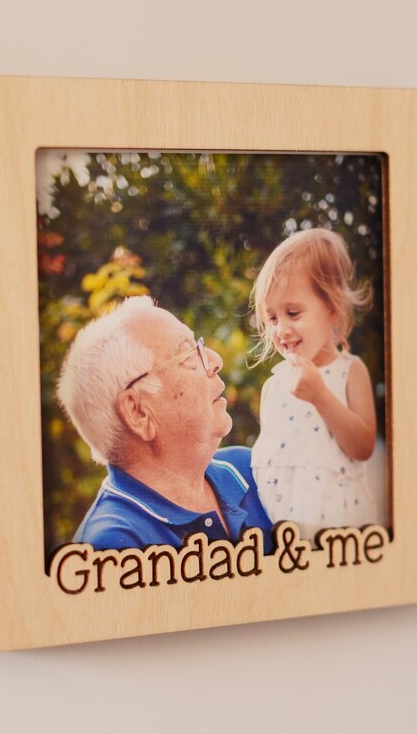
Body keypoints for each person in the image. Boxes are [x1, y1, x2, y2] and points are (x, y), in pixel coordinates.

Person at [57, 296, 273, 552]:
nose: (215, 361)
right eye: (188, 354)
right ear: (138, 413)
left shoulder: (253, 469)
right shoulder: (111, 550)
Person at [250, 227, 386, 539]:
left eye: (293, 313)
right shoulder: (274, 386)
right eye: (272, 318)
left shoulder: (349, 371)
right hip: (284, 534)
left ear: (332, 309)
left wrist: (321, 396)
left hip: (338, 530)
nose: (281, 330)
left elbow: (363, 447)